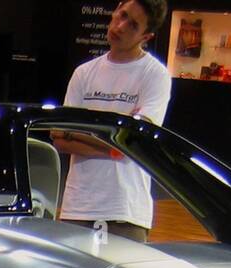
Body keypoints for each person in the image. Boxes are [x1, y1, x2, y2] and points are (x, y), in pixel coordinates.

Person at [49, 0, 171, 244]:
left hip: (125, 210)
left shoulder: (154, 75)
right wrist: (113, 144)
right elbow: (59, 136)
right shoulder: (84, 73)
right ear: (115, 10)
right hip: (78, 206)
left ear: (146, 36)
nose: (120, 26)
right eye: (122, 15)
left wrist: (80, 132)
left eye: (133, 25)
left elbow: (134, 141)